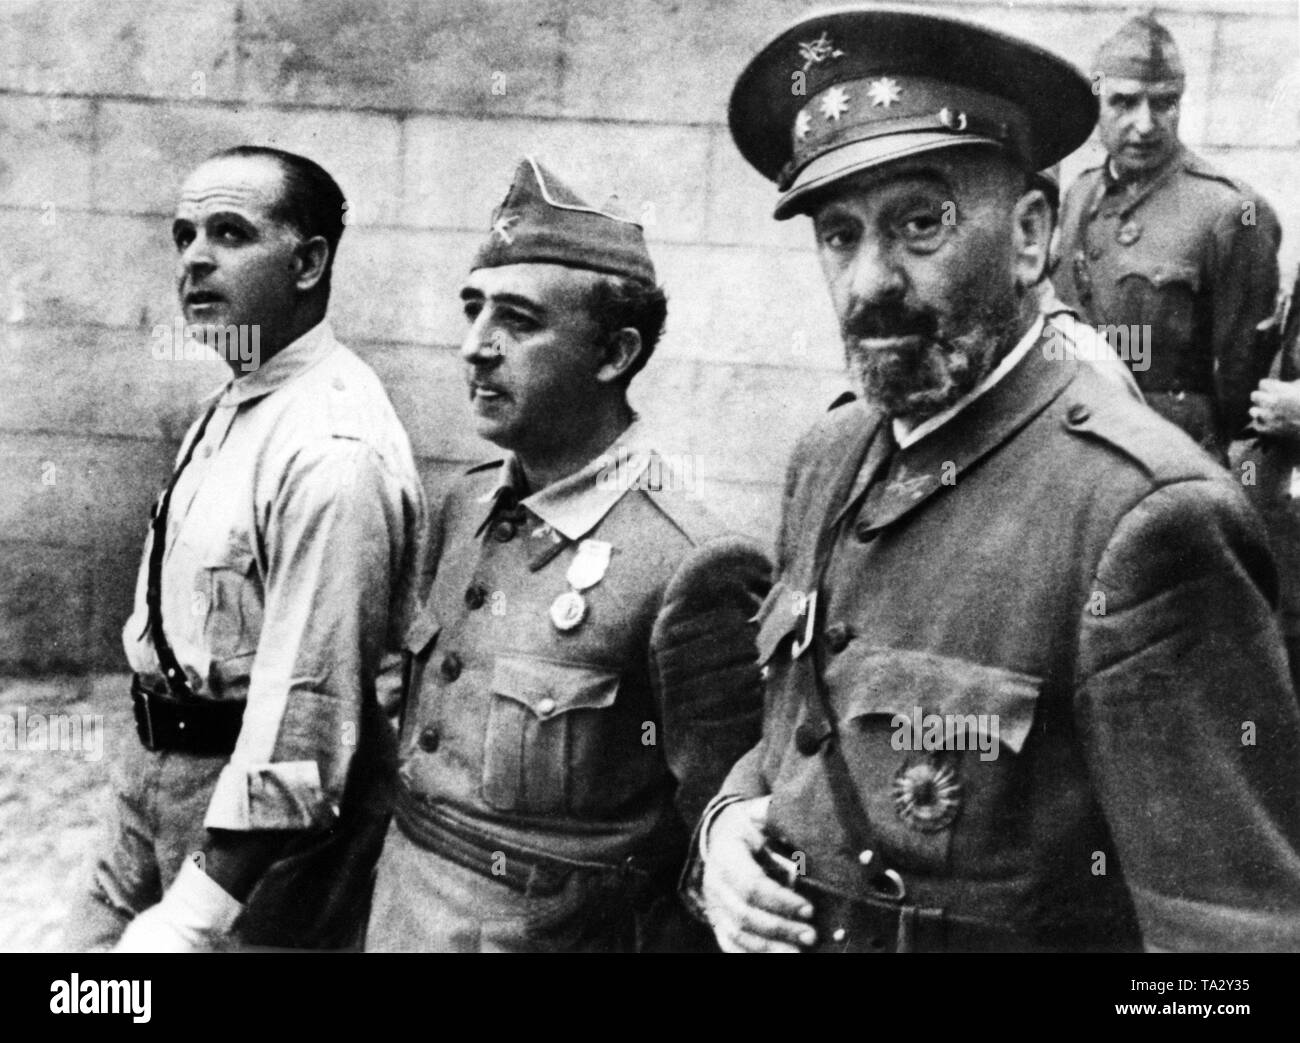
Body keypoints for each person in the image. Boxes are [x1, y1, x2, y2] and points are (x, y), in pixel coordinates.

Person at [691, 6, 1300, 953]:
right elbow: (804, 727)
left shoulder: (1145, 518)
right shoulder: (829, 457)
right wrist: (729, 820)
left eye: (919, 223)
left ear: (1028, 237)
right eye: (840, 235)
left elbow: (1230, 947)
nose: (869, 282)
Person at [365, 156, 770, 952]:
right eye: (473, 311)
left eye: (517, 321)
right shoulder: (466, 505)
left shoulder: (691, 560)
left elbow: (716, 841)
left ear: (614, 353)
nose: (475, 347)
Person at [68, 146, 426, 952]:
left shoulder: (332, 449)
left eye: (230, 232)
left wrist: (195, 914)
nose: (195, 258)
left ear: (308, 263)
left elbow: (307, 716)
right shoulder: (240, 396)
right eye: (184, 235)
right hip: (152, 774)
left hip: (261, 836)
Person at [1054, 13, 1282, 463]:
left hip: (1166, 453)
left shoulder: (1230, 212)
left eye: (1164, 103)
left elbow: (1241, 382)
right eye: (1124, 102)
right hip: (1072, 438)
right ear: (1095, 102)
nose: (1145, 124)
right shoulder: (1079, 194)